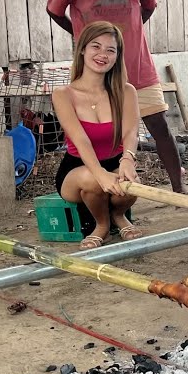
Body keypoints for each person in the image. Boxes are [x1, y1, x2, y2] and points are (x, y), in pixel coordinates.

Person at [47, 0, 185, 194]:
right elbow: (54, 9)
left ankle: (179, 187)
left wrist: (122, 38)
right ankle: (100, 187)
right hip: (96, 72)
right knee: (95, 135)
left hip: (138, 67)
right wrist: (83, 36)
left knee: (159, 127)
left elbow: (148, 6)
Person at [51, 21, 144, 250]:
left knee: (132, 184)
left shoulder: (126, 91)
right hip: (77, 168)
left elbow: (131, 130)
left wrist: (128, 159)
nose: (103, 54)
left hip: (116, 161)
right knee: (93, 181)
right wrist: (100, 174)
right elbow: (80, 140)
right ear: (82, 49)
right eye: (96, 46)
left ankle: (119, 215)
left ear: (117, 56)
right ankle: (101, 225)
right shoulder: (63, 94)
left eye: (110, 50)